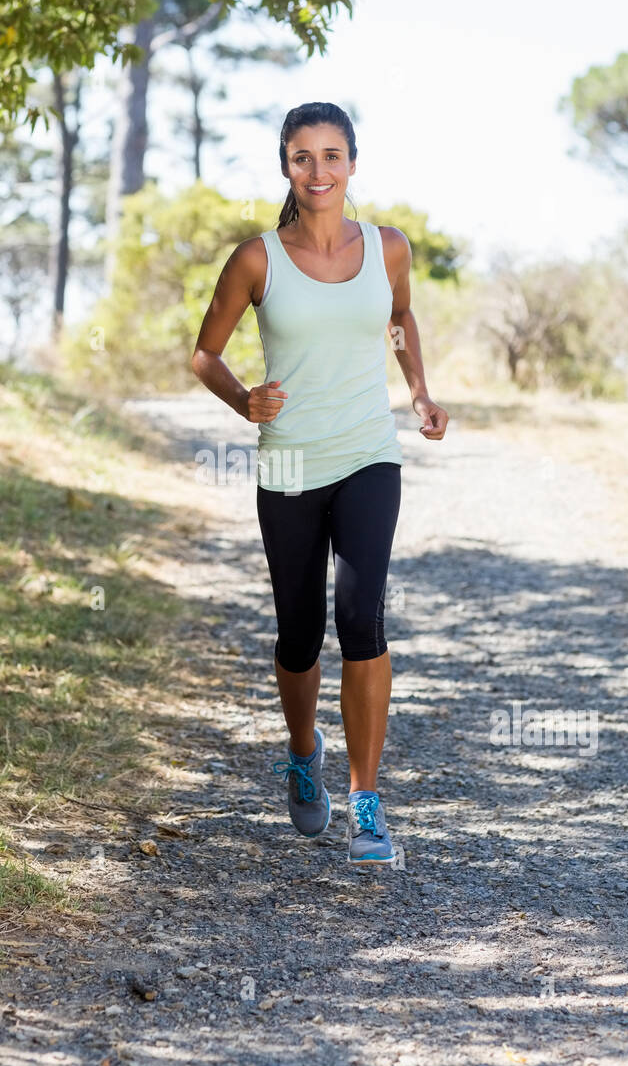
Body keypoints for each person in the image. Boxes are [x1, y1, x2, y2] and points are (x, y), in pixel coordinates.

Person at [191, 101, 448, 865]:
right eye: (303, 157)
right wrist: (245, 400)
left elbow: (399, 321)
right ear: (286, 168)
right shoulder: (256, 260)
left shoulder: (388, 247)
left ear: (353, 164)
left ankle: (367, 805)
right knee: (300, 632)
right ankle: (304, 754)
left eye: (331, 156)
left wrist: (421, 393)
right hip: (291, 462)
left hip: (370, 451)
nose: (318, 171)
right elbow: (205, 353)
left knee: (360, 617)